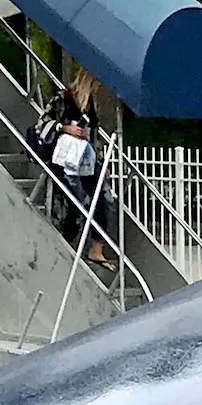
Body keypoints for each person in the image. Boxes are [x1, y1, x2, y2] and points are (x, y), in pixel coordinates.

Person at [52, 67, 118, 269]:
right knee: (75, 199)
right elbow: (44, 123)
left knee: (103, 197)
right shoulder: (64, 97)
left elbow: (94, 136)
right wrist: (65, 128)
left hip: (87, 157)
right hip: (67, 158)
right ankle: (68, 240)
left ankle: (96, 248)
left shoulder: (92, 104)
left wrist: (101, 162)